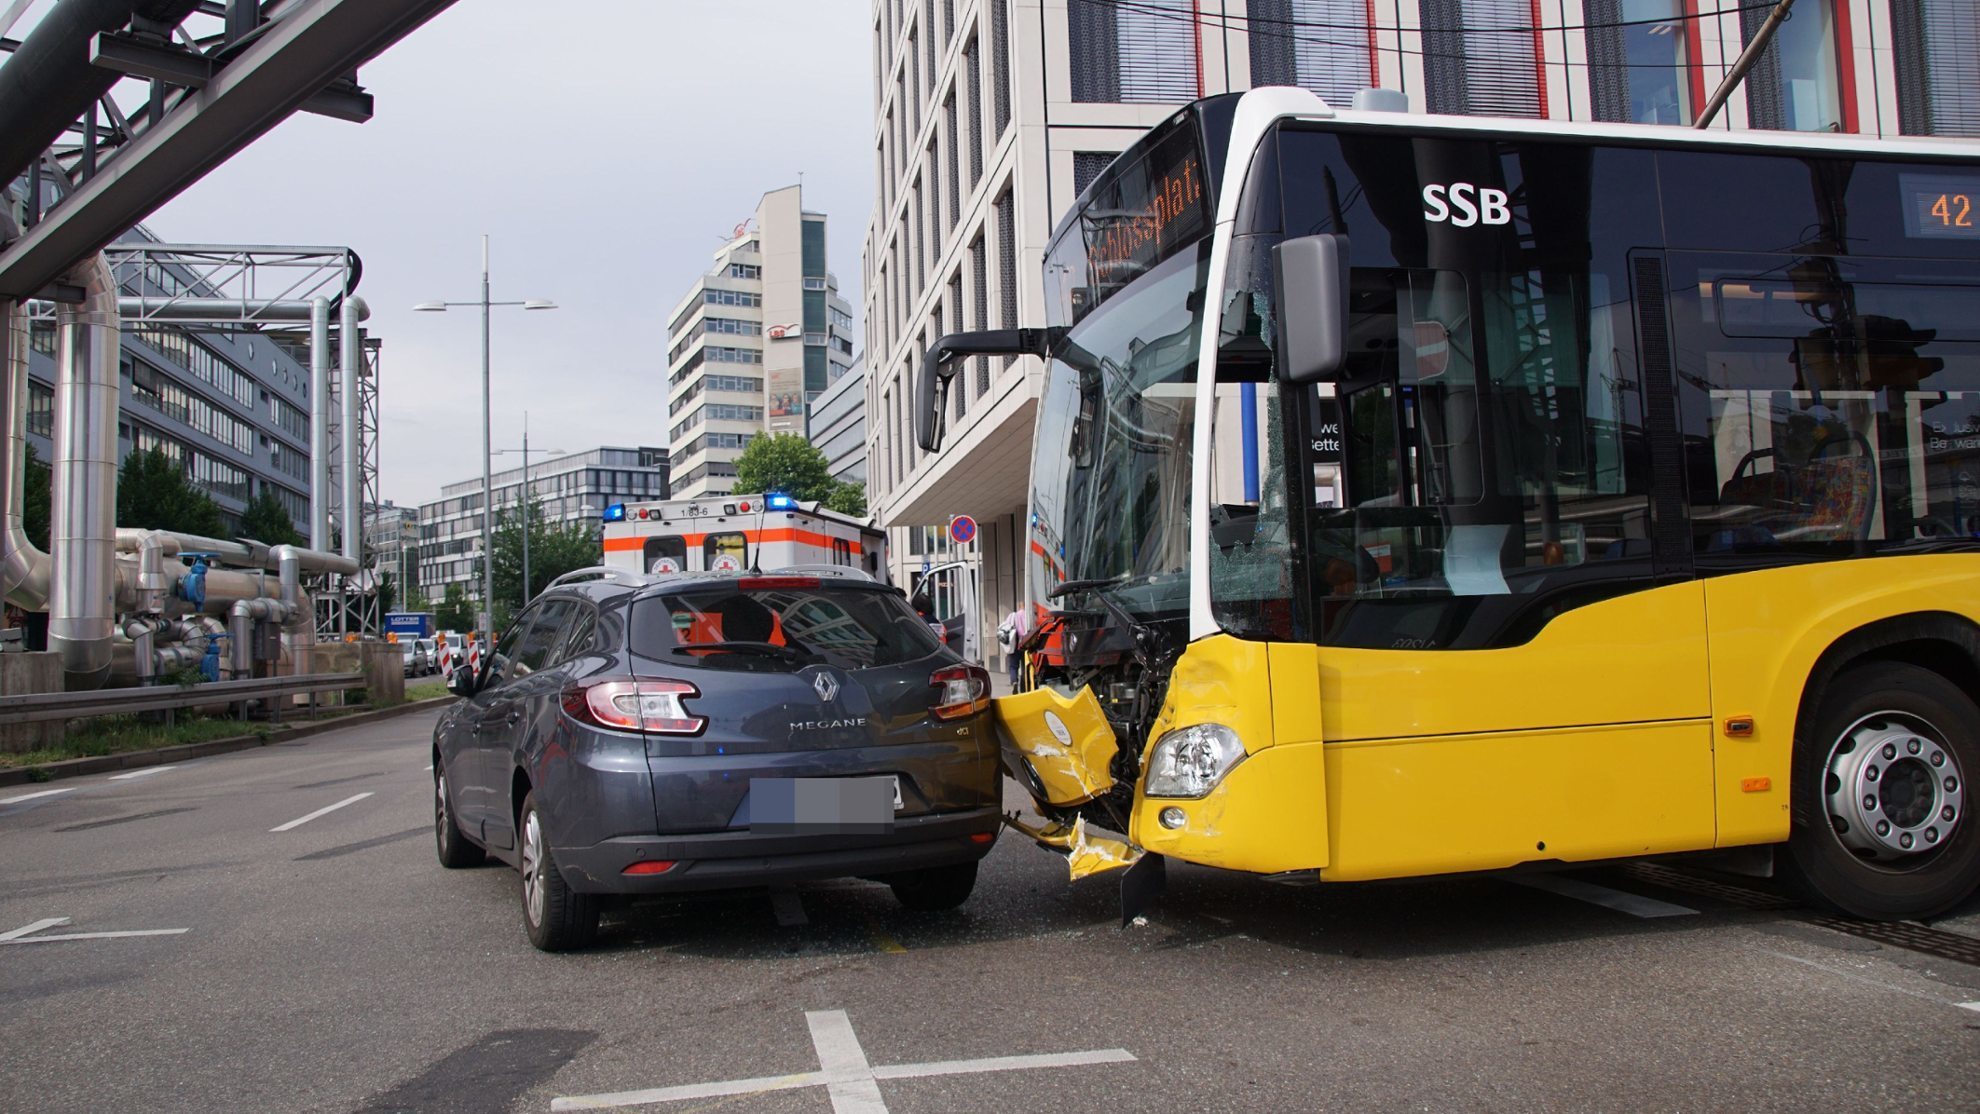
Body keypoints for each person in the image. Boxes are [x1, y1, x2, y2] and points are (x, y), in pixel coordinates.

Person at [996, 605, 1029, 689]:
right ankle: (1024, 684)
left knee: (1013, 666)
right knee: (1025, 665)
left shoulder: (1013, 615)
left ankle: (1014, 681)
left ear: (1019, 607)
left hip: (1014, 644)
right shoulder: (1029, 616)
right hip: (1025, 643)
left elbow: (1006, 627)